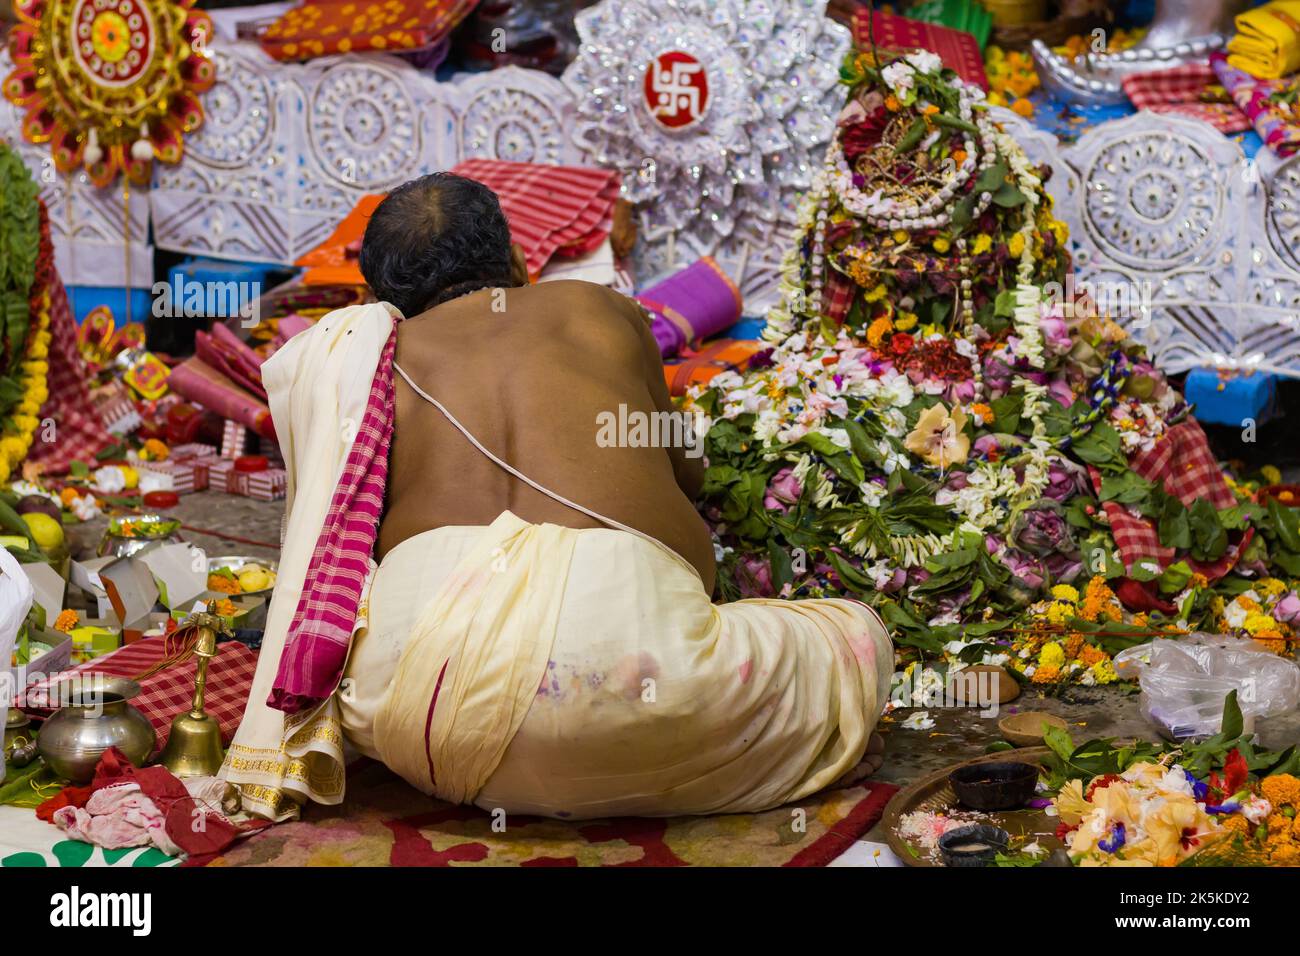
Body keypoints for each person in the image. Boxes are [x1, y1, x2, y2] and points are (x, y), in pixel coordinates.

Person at [222, 173, 892, 821]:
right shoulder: (603, 308)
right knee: (856, 638)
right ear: (516, 257)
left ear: (374, 295)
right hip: (647, 687)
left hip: (412, 717)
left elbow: (344, 548)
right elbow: (690, 476)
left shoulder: (366, 361)